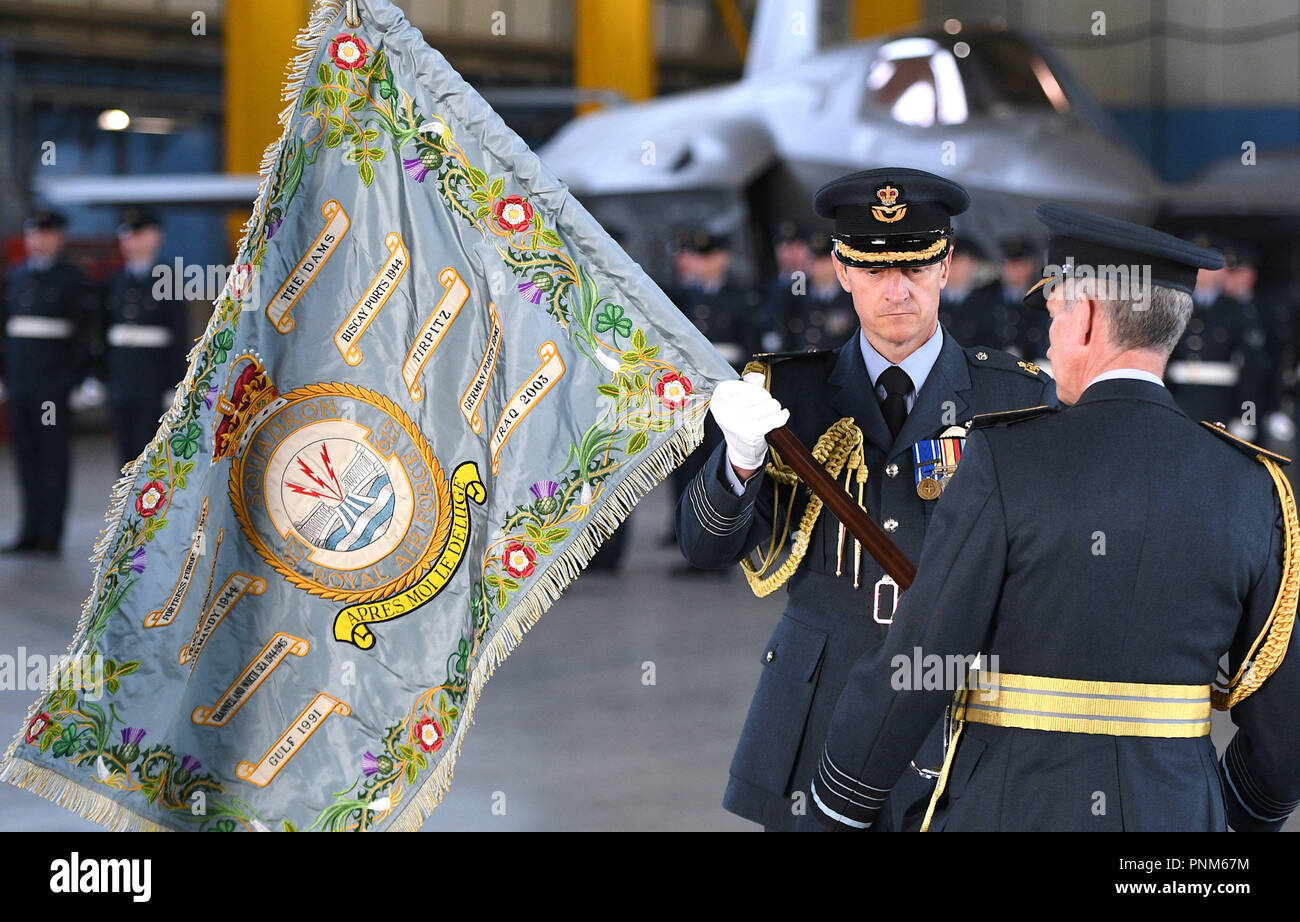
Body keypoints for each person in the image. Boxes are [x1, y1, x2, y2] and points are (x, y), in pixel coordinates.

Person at [810, 204, 1300, 832]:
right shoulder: (1254, 487)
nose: (1046, 342)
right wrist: (1211, 808)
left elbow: (918, 664)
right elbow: (1286, 737)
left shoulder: (1003, 458)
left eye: (1054, 316)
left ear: (1089, 318)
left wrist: (835, 806)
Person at [674, 167, 1055, 830]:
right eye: (874, 272)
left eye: (916, 267)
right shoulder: (789, 394)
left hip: (958, 705)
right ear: (842, 272)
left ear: (946, 268)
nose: (897, 291)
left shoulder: (1014, 399)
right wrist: (739, 458)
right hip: (818, 701)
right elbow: (706, 547)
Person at [0, 209, 94, 555]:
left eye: (45, 233)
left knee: (52, 458)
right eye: (33, 233)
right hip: (20, 385)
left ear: (59, 237)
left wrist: (82, 379)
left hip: (52, 392)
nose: (38, 240)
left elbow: (84, 334)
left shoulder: (72, 280)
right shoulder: (15, 277)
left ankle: (50, 535)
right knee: (25, 458)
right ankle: (28, 532)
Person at [101, 208, 191, 466]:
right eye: (126, 236)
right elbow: (103, 331)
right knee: (125, 457)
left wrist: (175, 385)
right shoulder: (114, 281)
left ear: (154, 237)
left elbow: (178, 334)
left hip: (153, 383)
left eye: (137, 234)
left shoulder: (169, 278)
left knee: (151, 459)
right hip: (121, 381)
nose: (130, 241)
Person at [1165, 233, 1267, 439]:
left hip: (1221, 405)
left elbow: (1251, 370)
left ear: (1220, 270)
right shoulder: (1173, 305)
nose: (1201, 273)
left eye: (1207, 267)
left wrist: (1247, 417)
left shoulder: (1237, 310)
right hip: (1178, 400)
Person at [767, 231, 857, 352]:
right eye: (813, 261)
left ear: (836, 263)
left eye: (824, 262)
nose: (818, 267)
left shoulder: (851, 294)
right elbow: (785, 332)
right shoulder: (795, 292)